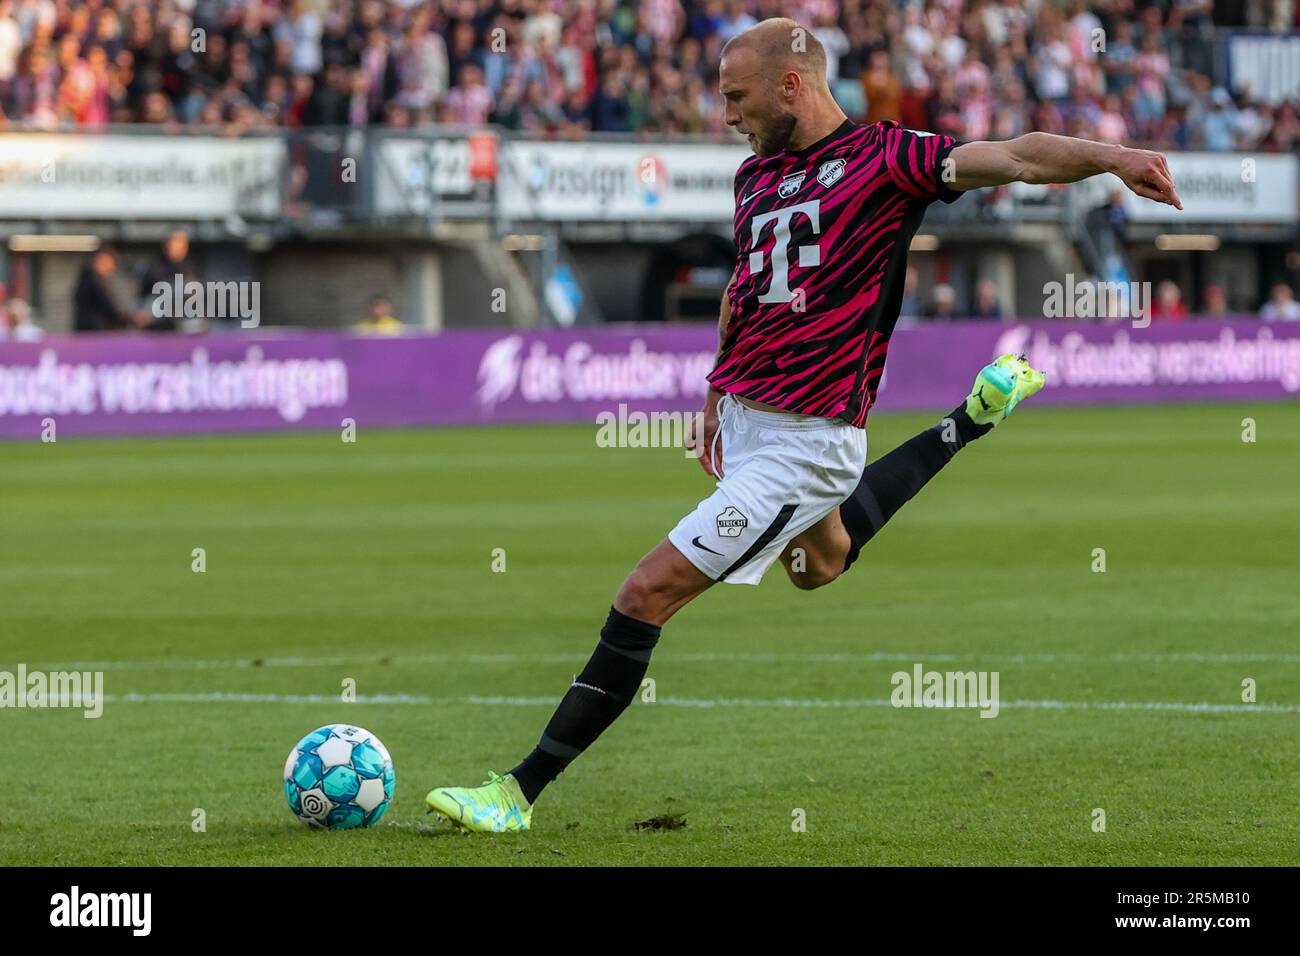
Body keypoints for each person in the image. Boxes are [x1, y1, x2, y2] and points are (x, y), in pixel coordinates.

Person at [423, 18, 1182, 832]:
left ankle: (517, 793)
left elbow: (1020, 155)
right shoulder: (755, 178)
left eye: (736, 98)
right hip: (749, 422)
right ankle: (971, 419)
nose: (727, 116)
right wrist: (717, 388)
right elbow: (743, 289)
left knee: (645, 593)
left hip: (805, 445)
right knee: (819, 565)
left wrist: (1114, 159)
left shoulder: (889, 160)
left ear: (792, 85)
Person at [74, 246, 137, 332]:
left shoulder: (98, 280)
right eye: (107, 263)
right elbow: (108, 307)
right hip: (93, 333)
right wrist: (131, 319)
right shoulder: (91, 281)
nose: (110, 267)